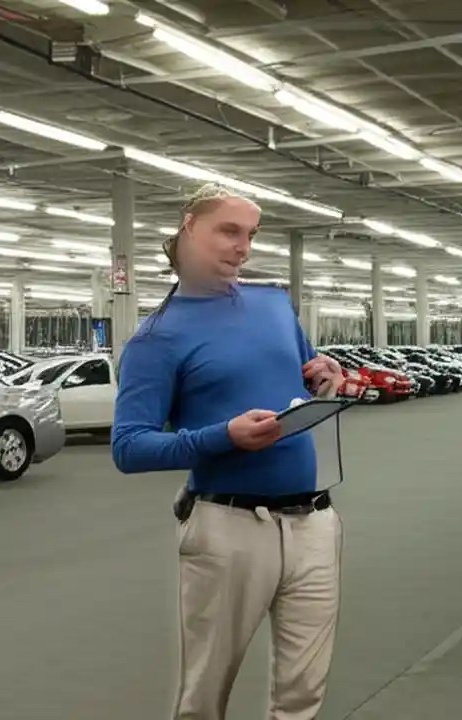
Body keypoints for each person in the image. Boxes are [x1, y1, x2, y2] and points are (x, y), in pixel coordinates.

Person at [111, 183, 348, 720]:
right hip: (228, 527)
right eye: (229, 230)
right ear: (189, 227)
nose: (242, 247)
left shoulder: (272, 304)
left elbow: (308, 371)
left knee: (304, 691)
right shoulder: (157, 338)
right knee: (205, 694)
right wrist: (224, 436)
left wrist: (326, 373)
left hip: (314, 522)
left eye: (251, 235)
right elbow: (128, 447)